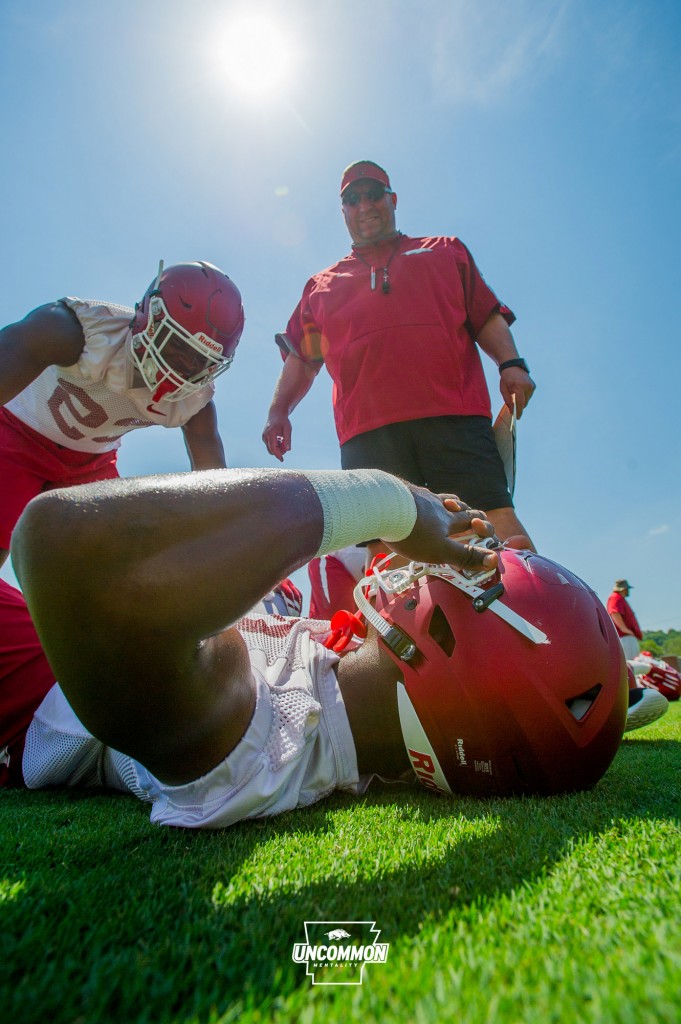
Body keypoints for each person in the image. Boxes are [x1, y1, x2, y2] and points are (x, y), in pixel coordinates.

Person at [3, 466, 628, 826]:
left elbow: (56, 541)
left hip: (30, 680)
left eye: (472, 575)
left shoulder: (251, 731)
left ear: (445, 647)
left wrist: (392, 503)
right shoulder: (330, 702)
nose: (445, 566)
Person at [262, 160, 535, 550]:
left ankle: (541, 611)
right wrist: (279, 411)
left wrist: (511, 364)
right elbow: (302, 360)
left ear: (392, 200)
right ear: (343, 212)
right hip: (368, 434)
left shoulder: (444, 251)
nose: (364, 206)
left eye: (373, 194)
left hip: (453, 418)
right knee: (388, 556)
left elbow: (486, 315)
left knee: (496, 530)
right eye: (353, 199)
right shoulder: (320, 286)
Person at [0, 260, 244, 567]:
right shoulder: (74, 330)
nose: (186, 368)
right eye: (179, 345)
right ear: (150, 318)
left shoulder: (196, 403)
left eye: (201, 360)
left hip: (91, 463)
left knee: (114, 569)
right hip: (18, 433)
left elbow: (215, 491)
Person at [607, 579, 642, 660]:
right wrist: (624, 629)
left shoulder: (619, 598)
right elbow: (614, 612)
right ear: (624, 589)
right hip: (625, 637)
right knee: (630, 664)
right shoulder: (615, 597)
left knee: (632, 664)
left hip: (626, 637)